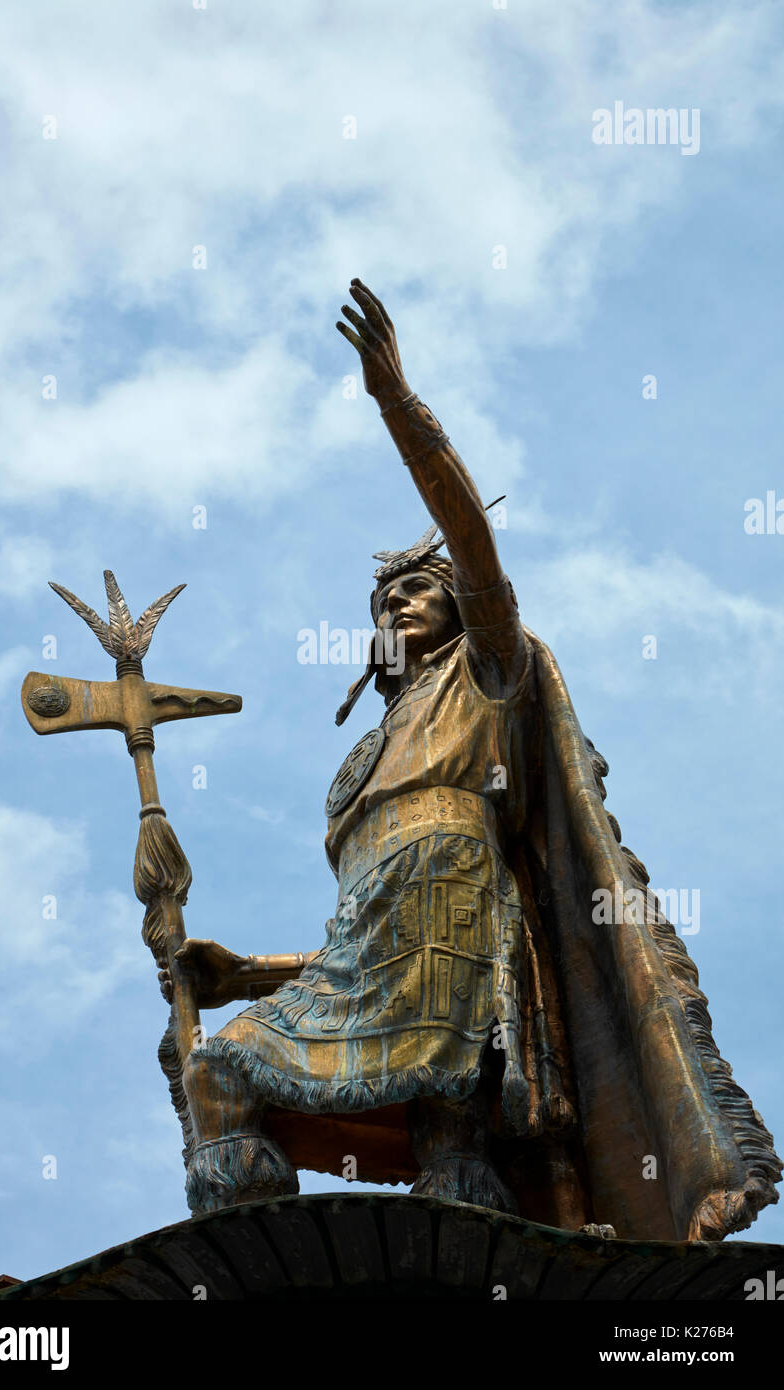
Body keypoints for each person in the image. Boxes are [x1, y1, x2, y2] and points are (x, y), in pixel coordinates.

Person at [178, 281, 781, 1241]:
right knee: (217, 1070)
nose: (401, 607)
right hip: (385, 952)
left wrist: (396, 405)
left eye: (422, 590)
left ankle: (477, 1256)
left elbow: (472, 535)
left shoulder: (489, 670)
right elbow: (356, 940)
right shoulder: (361, 768)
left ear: (464, 603)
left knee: (454, 1150)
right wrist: (246, 973)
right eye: (387, 604)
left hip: (463, 937)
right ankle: (253, 1258)